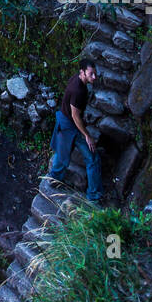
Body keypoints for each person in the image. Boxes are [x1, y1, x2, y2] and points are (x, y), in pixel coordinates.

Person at [49, 60, 103, 204]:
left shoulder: (78, 81)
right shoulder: (78, 90)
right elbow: (75, 116)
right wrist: (87, 136)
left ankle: (54, 179)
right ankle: (94, 195)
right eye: (91, 74)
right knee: (92, 158)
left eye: (95, 74)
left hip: (66, 121)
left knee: (62, 153)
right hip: (69, 124)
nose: (94, 77)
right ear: (82, 72)